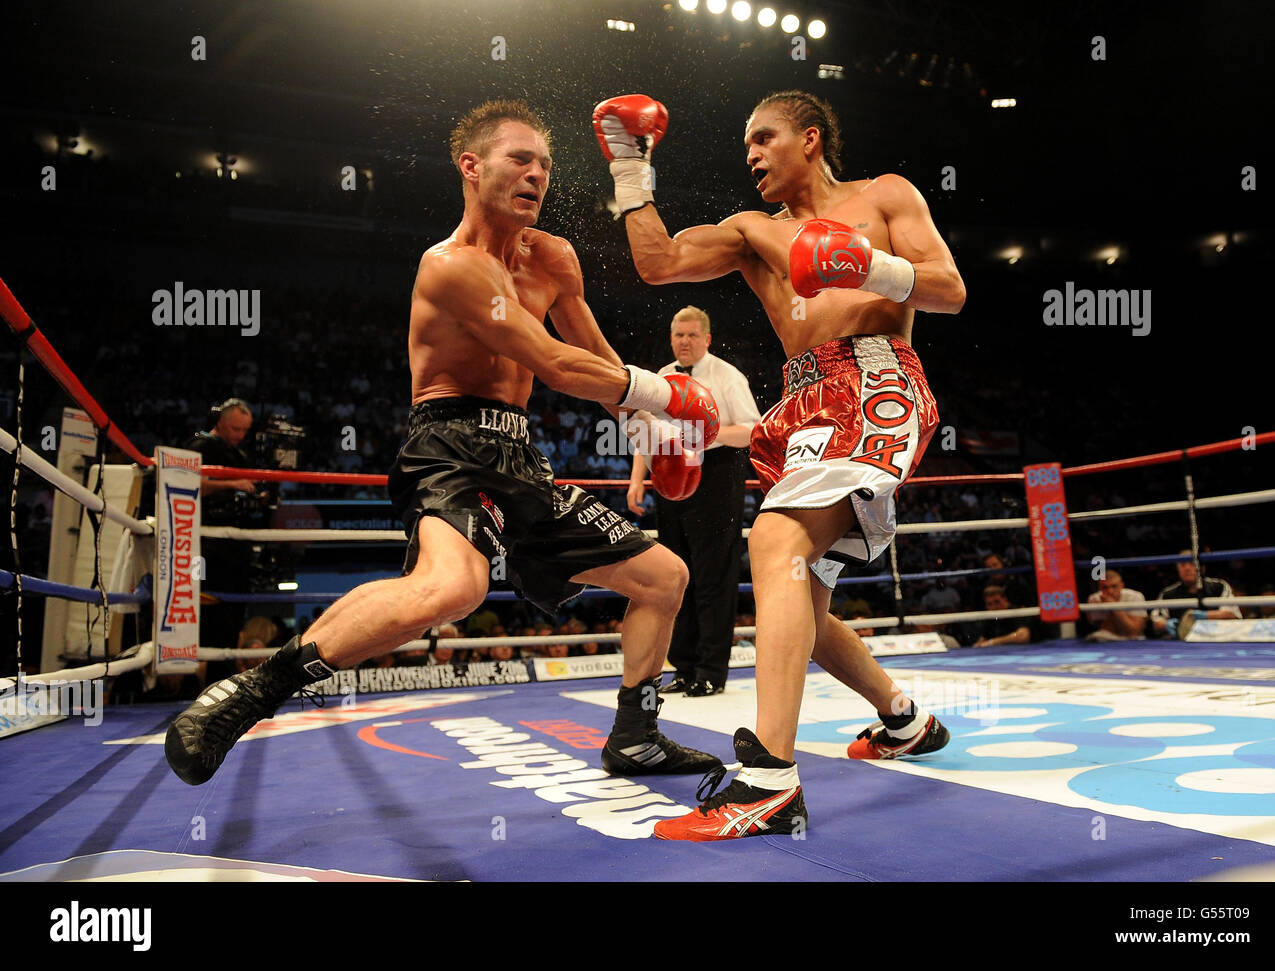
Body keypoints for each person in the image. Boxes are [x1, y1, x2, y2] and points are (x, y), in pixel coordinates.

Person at [166, 99, 724, 787]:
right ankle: (255, 689)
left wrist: (644, 421)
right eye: (520, 159)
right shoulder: (449, 267)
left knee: (664, 577)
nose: (537, 175)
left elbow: (592, 352)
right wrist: (665, 395)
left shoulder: (554, 256)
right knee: (452, 588)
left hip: (523, 454)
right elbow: (552, 362)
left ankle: (636, 736)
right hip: (451, 446)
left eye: (545, 163)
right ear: (471, 165)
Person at [593, 90, 966, 839]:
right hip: (800, 407)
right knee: (809, 604)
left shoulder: (884, 196)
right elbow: (659, 263)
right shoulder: (752, 231)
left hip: (876, 379)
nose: (752, 155)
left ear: (811, 137)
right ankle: (905, 720)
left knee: (774, 543)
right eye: (745, 145)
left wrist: (871, 266)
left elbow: (950, 290)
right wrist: (632, 171)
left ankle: (768, 782)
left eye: (764, 139)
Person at [627, 305, 761, 697]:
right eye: (678, 335)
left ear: (707, 339)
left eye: (692, 335)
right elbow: (645, 427)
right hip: (670, 478)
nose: (684, 342)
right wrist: (638, 478)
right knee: (676, 573)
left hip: (717, 476)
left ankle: (710, 671)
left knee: (713, 575)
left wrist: (706, 434)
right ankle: (684, 667)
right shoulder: (662, 378)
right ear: (671, 338)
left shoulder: (727, 376)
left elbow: (753, 430)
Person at [184, 398, 264, 652]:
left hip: (232, 542)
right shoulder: (201, 446)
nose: (240, 435)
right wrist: (232, 484)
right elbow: (190, 484)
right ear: (221, 422)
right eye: (235, 429)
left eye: (244, 430)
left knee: (232, 611)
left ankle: (225, 668)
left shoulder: (237, 453)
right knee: (208, 606)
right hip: (205, 540)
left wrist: (258, 498)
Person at [1151, 551, 1242, 639]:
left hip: (1216, 639)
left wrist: (1204, 615)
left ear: (1202, 568)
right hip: (1181, 642)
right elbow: (1156, 623)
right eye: (1182, 565)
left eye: (1191, 563)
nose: (1187, 568)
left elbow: (1232, 615)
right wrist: (1167, 624)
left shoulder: (1219, 586)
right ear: (1177, 569)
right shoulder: (1167, 593)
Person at [1085, 570, 1148, 641]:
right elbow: (1103, 629)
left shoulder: (1135, 597)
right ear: (1100, 588)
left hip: (1134, 641)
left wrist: (1114, 606)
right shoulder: (1094, 599)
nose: (1110, 591)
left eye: (1114, 586)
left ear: (1122, 586)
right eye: (1105, 587)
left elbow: (1134, 632)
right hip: (1106, 640)